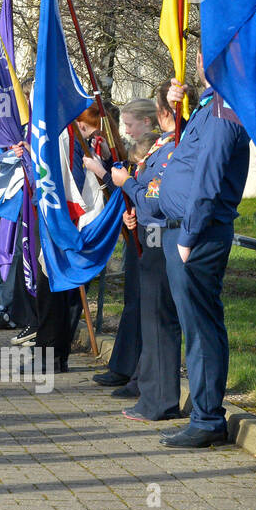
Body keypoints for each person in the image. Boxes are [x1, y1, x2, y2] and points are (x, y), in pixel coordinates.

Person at [157, 52, 250, 448]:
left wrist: (188, 238)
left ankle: (208, 417)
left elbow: (209, 178)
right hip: (186, 233)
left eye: (204, 51)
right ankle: (204, 412)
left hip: (198, 236)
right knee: (196, 326)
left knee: (201, 328)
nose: (195, 59)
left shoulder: (225, 108)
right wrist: (179, 109)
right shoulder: (210, 105)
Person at [111, 105, 182, 424]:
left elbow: (155, 197)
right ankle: (152, 395)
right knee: (150, 323)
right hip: (148, 235)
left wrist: (127, 184)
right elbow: (147, 200)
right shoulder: (160, 145)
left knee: (159, 322)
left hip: (161, 238)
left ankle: (162, 399)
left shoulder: (171, 148)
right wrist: (133, 214)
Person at [93, 97, 160, 393]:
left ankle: (132, 369)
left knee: (143, 303)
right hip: (139, 230)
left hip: (153, 237)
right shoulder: (140, 151)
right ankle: (123, 365)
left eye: (131, 125)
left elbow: (142, 188)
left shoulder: (157, 152)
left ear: (147, 122)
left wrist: (104, 173)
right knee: (133, 300)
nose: (127, 131)